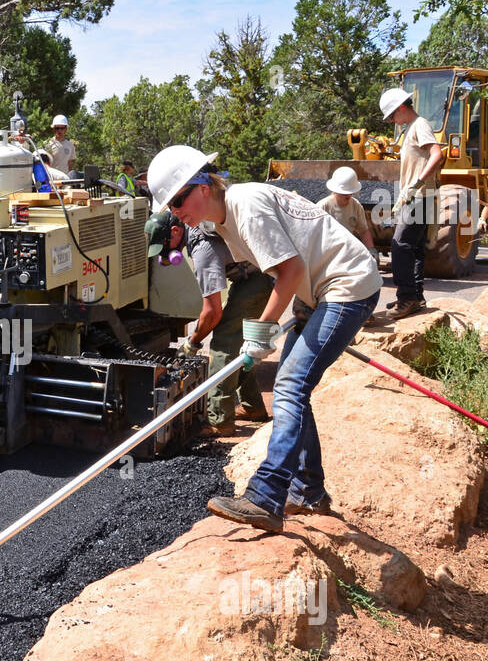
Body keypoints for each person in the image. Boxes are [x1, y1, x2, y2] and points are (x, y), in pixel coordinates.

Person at [150, 145, 382, 532]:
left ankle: (266, 495)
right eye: (170, 205)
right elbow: (291, 268)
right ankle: (309, 492)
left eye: (178, 199)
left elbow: (289, 272)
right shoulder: (226, 220)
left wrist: (260, 332)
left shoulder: (245, 206)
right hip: (321, 290)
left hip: (347, 286)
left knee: (290, 385)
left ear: (203, 185)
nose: (176, 211)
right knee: (294, 385)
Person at [177, 216, 274, 437]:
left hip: (257, 280)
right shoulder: (197, 227)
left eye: (165, 247)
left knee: (224, 344)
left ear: (174, 232)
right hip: (257, 275)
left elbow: (212, 313)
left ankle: (220, 421)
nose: (167, 254)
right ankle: (253, 407)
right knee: (240, 344)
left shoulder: (202, 249)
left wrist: (192, 343)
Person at [380, 87, 444, 319]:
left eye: (391, 116)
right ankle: (416, 297)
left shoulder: (420, 125)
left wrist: (417, 184)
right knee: (415, 248)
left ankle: (406, 298)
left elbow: (437, 154)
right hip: (416, 196)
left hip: (420, 197)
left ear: (401, 108)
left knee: (400, 246)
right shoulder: (410, 129)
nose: (391, 121)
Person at [319, 167, 376, 254]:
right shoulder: (323, 206)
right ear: (335, 190)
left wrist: (371, 250)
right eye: (344, 193)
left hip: (346, 251)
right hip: (326, 252)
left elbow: (363, 231)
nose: (348, 195)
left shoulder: (356, 206)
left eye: (350, 192)